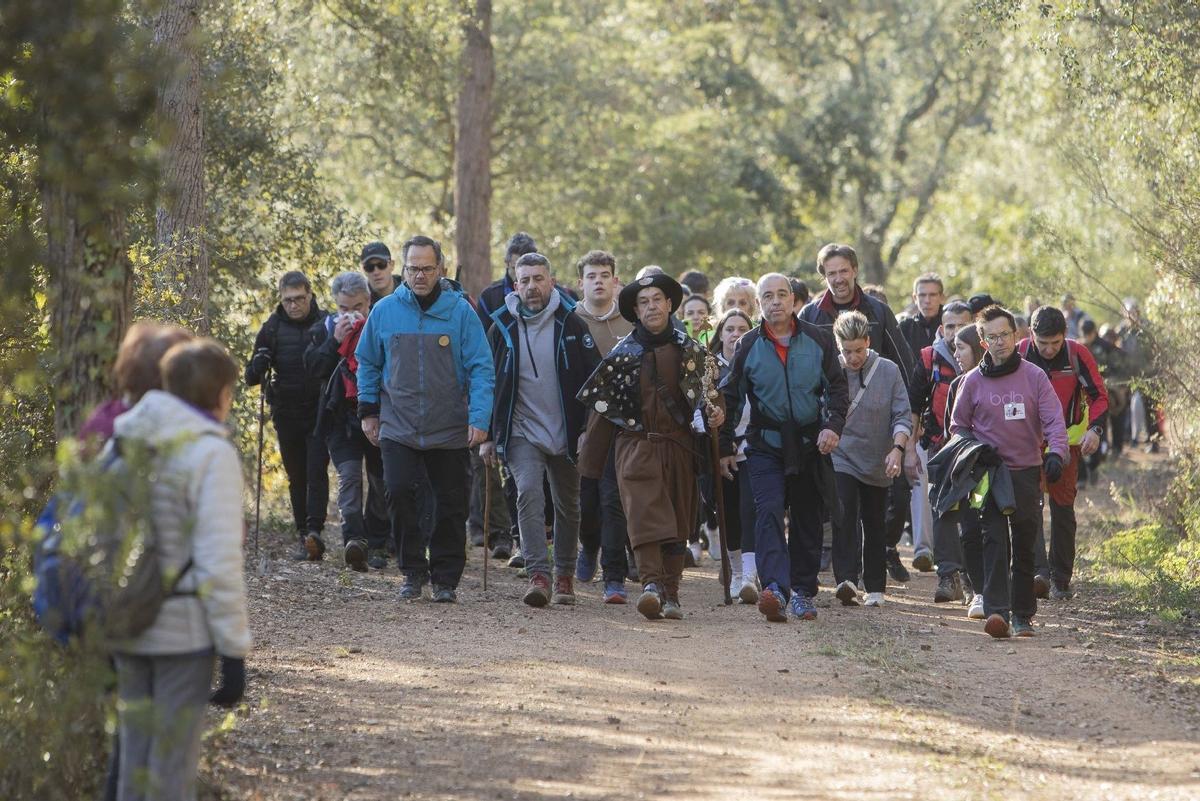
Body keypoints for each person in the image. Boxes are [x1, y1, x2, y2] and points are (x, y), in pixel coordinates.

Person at [110, 338, 250, 801]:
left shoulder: (125, 438)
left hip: (125, 617)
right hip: (183, 631)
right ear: (220, 396)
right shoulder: (210, 453)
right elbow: (219, 559)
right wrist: (233, 651)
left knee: (134, 763)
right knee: (171, 769)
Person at [577, 273, 725, 621]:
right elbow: (602, 411)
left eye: (657, 299)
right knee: (644, 517)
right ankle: (650, 586)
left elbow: (712, 398)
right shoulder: (620, 355)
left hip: (680, 448)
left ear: (670, 304)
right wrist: (591, 464)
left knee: (676, 521)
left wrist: (717, 415)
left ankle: (671, 593)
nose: (651, 306)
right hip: (635, 448)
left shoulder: (692, 352)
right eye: (643, 302)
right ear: (635, 310)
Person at [355, 235, 494, 603]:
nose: (419, 275)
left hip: (448, 425)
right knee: (398, 493)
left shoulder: (461, 312)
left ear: (441, 270)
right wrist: (369, 411)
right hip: (398, 424)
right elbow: (367, 362)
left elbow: (482, 367)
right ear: (404, 269)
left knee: (451, 502)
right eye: (413, 268)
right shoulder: (385, 311)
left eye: (427, 268)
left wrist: (480, 418)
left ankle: (445, 578)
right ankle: (412, 571)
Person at [721, 273, 849, 622]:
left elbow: (837, 389)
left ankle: (803, 592)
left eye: (782, 295)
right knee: (769, 512)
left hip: (810, 444)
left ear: (793, 300)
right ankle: (775, 588)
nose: (775, 302)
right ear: (758, 303)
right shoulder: (748, 345)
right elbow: (729, 398)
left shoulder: (818, 339)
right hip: (765, 444)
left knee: (808, 517)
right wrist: (724, 446)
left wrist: (832, 427)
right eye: (768, 296)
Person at [481, 253, 600, 607]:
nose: (532, 286)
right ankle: (538, 575)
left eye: (538, 279)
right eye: (525, 280)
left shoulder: (573, 324)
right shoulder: (500, 325)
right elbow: (487, 382)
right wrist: (488, 435)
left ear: (551, 281)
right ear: (515, 285)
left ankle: (564, 575)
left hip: (566, 431)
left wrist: (586, 430)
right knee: (528, 491)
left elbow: (593, 382)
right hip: (521, 430)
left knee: (568, 504)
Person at [798, 244, 917, 582]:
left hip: (881, 433)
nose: (838, 279)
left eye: (843, 271)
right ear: (824, 276)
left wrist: (908, 431)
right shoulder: (810, 315)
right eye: (831, 273)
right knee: (841, 507)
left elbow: (904, 368)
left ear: (854, 271)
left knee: (882, 508)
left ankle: (880, 564)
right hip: (832, 433)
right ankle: (845, 576)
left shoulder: (878, 311)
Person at [949, 305, 1068, 638]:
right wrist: (974, 450)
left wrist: (1056, 453)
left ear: (1016, 336)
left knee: (1025, 541)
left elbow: (1053, 420)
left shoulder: (1034, 376)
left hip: (1026, 470)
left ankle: (1023, 616)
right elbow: (958, 427)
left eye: (1005, 335)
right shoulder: (971, 382)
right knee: (993, 539)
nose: (999, 342)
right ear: (983, 341)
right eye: (992, 337)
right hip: (987, 473)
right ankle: (998, 612)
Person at [1019, 306, 1109, 600]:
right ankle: (1037, 574)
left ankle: (1061, 579)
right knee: (1029, 507)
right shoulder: (1019, 353)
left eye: (1054, 343)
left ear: (1064, 336)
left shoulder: (1077, 355)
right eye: (1042, 342)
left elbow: (1099, 395)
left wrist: (1094, 430)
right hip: (1026, 443)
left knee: (1062, 511)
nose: (1047, 349)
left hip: (1068, 445)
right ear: (1031, 334)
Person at [305, 271, 391, 571]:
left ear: (368, 301)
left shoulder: (383, 324)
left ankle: (378, 542)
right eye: (343, 308)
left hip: (379, 414)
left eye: (356, 306)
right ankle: (355, 539)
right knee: (350, 478)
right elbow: (314, 367)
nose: (350, 313)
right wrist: (335, 340)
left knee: (381, 482)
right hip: (340, 419)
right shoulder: (324, 329)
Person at [244, 271, 330, 561]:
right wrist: (259, 363)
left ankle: (315, 532)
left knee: (316, 471)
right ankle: (303, 534)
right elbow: (250, 377)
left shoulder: (326, 322)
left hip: (319, 410)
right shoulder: (272, 327)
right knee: (297, 476)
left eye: (299, 299)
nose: (294, 305)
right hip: (286, 411)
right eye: (288, 300)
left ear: (310, 295)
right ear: (281, 299)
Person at [829, 311, 912, 608]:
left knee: (875, 521)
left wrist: (898, 448)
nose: (853, 358)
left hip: (879, 458)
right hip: (842, 456)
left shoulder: (887, 371)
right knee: (844, 513)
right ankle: (846, 579)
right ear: (838, 345)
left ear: (868, 341)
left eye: (858, 350)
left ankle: (875, 587)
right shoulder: (832, 370)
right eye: (846, 351)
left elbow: (902, 415)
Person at [572, 250, 635, 598]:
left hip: (621, 426)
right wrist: (579, 429)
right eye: (592, 276)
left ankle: (614, 575)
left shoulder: (631, 321)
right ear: (580, 282)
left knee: (614, 498)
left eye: (605, 275)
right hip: (581, 426)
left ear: (615, 280)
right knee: (586, 499)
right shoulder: (568, 321)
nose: (599, 281)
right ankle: (588, 546)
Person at [906, 300, 975, 602]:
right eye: (950, 326)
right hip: (939, 449)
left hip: (977, 452)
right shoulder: (927, 359)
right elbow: (912, 407)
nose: (955, 332)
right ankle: (948, 576)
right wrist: (909, 449)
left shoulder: (986, 360)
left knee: (976, 512)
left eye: (962, 326)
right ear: (940, 328)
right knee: (942, 510)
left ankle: (976, 580)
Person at [710, 309, 758, 602]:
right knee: (727, 512)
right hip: (718, 451)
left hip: (753, 447)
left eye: (743, 328)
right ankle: (737, 573)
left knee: (749, 509)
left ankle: (751, 576)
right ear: (721, 334)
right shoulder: (708, 368)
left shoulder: (758, 364)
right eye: (730, 328)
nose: (736, 333)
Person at [943, 323, 988, 619]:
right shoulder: (956, 386)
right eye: (954, 348)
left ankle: (998, 587)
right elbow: (953, 431)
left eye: (961, 348)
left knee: (995, 529)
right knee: (969, 530)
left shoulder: (1003, 381)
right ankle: (977, 590)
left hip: (997, 469)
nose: (955, 353)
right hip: (968, 472)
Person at [476, 231, 539, 332]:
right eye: (516, 269)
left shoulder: (548, 293)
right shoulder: (489, 297)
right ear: (507, 262)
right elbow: (481, 340)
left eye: (528, 270)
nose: (522, 276)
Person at [899, 274, 945, 366]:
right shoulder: (905, 327)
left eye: (932, 295)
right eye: (922, 295)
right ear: (915, 298)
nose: (927, 300)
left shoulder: (951, 324)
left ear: (941, 297)